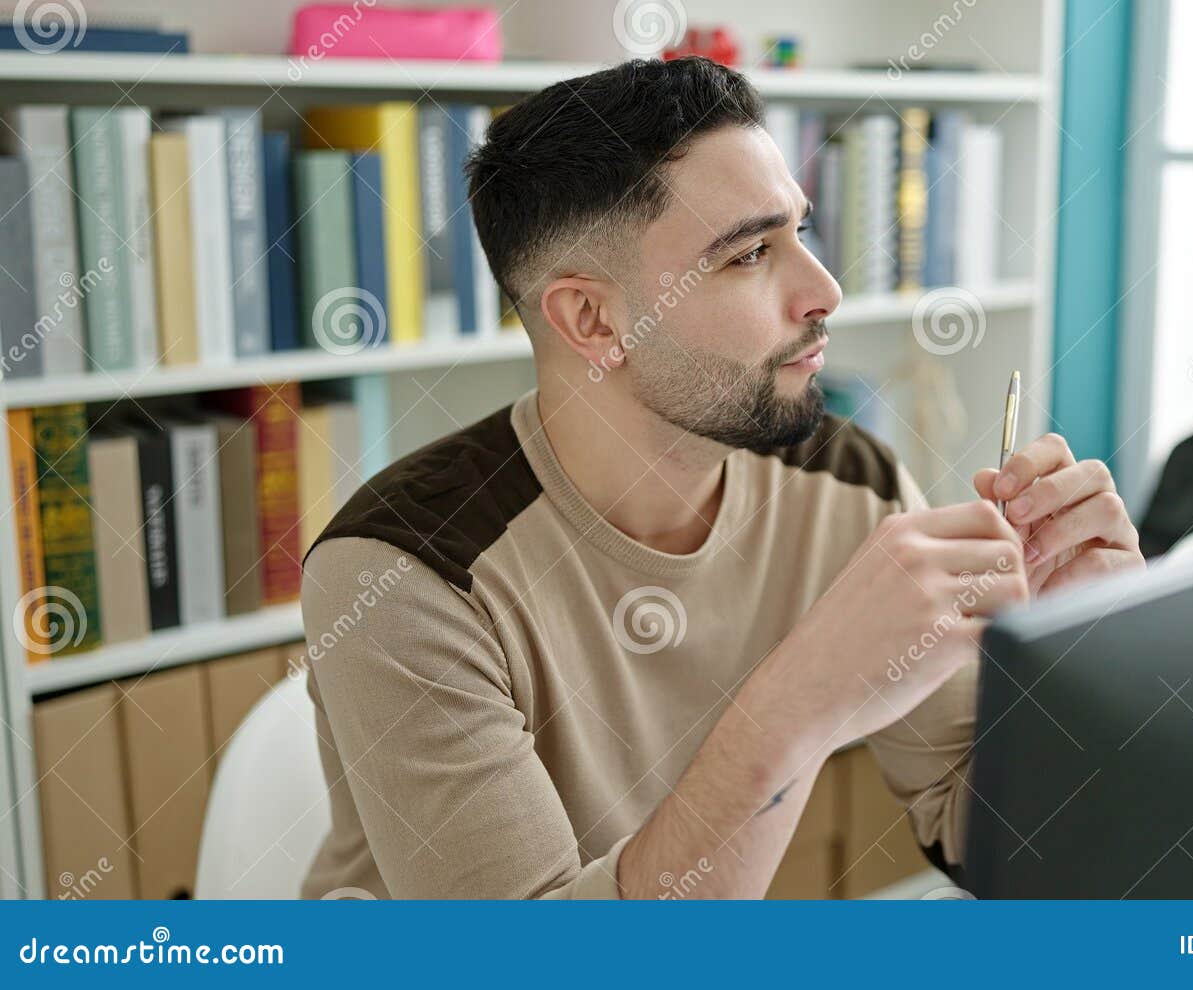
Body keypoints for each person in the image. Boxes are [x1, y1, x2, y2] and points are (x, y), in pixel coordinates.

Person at [298, 56, 1143, 899]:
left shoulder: (848, 480)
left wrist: (1089, 664)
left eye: (801, 232)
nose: (825, 291)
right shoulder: (402, 575)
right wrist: (804, 694)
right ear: (593, 319)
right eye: (749, 254)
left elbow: (989, 834)